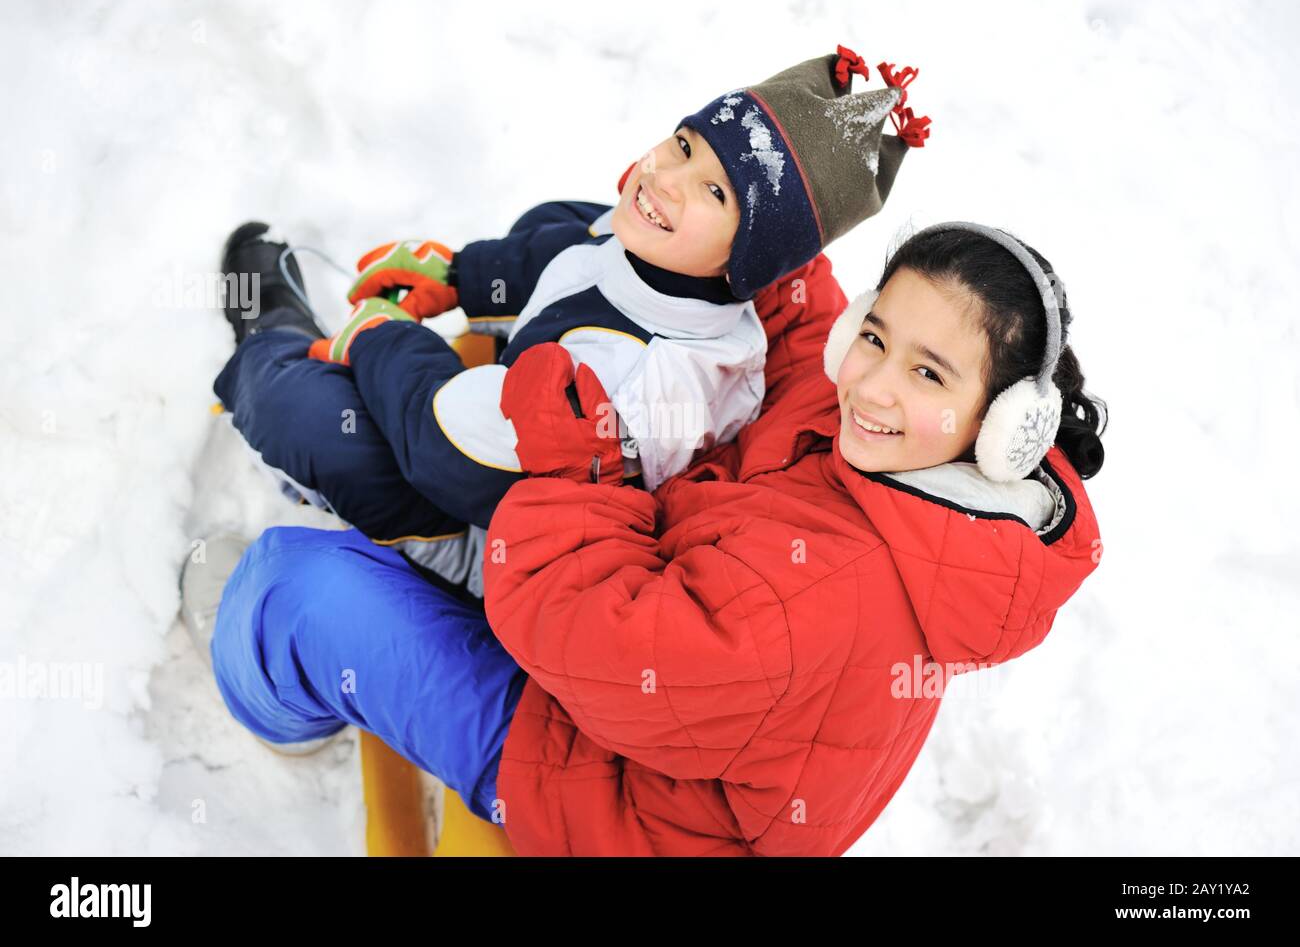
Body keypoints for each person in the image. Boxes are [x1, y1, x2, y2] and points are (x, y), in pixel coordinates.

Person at [184, 219, 1106, 855]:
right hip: (631, 601)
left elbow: (585, 633)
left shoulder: (831, 595)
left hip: (594, 779)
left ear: (1006, 425)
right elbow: (796, 325)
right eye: (876, 335)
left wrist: (581, 467)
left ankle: (273, 682)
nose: (871, 387)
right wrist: (742, 211)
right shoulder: (906, 453)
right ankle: (331, 416)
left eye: (929, 371)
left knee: (294, 591)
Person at [210, 45, 927, 598]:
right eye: (683, 145)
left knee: (303, 412)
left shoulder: (638, 382)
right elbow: (576, 252)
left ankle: (267, 335)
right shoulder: (664, 251)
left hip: (485, 535)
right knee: (565, 220)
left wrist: (378, 337)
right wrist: (456, 275)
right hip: (502, 419)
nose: (666, 179)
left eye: (712, 190)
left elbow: (444, 444)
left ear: (750, 258)